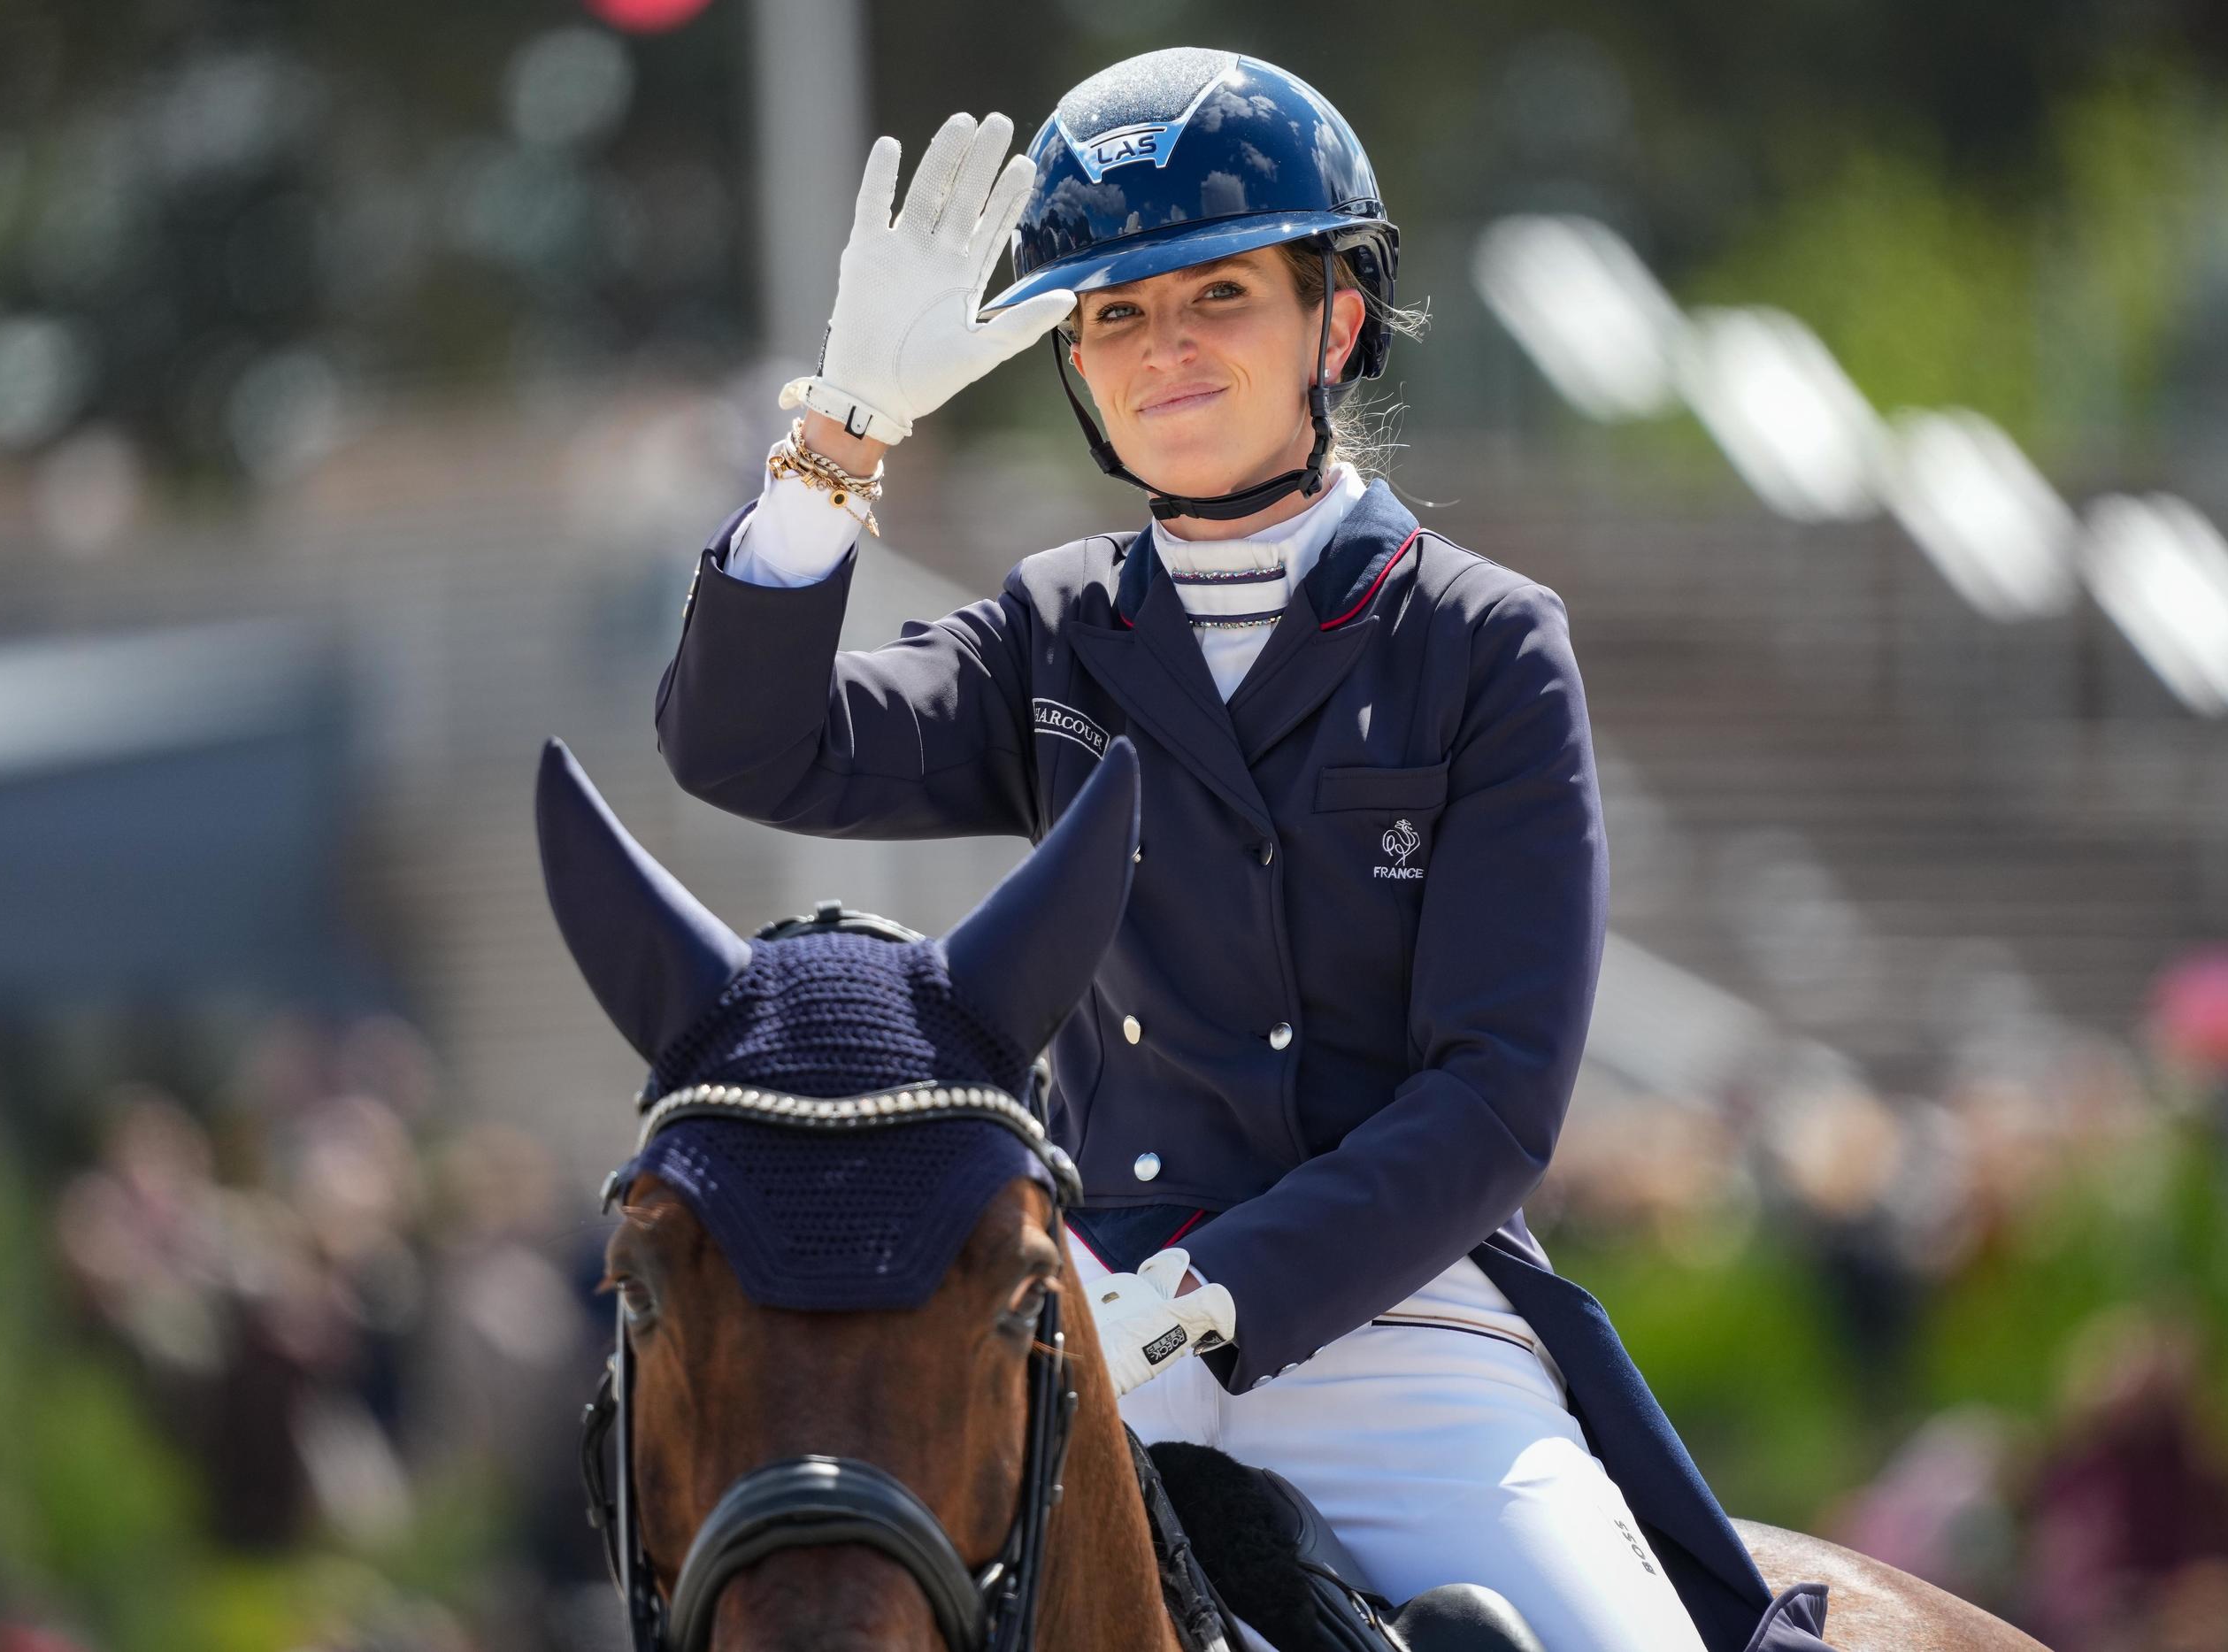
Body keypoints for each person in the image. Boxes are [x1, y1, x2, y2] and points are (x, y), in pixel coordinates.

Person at [657, 47, 1819, 1652]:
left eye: (1218, 297)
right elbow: (745, 743)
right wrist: (842, 434)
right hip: (1090, 1353)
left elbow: (1494, 1096)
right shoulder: (1050, 630)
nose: (1165, 351)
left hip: (1401, 1343)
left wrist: (1216, 1293)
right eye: (1115, 316)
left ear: (1333, 321)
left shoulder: (1484, 641)